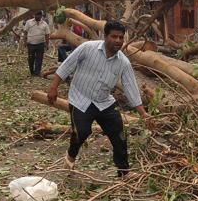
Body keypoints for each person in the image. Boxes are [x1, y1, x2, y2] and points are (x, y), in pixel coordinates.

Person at [45, 20, 154, 175]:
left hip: (104, 102)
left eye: (120, 37)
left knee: (119, 136)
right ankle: (71, 155)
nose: (118, 41)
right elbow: (67, 65)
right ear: (105, 37)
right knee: (82, 132)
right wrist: (53, 87)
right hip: (80, 98)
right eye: (114, 36)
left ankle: (124, 172)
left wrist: (143, 113)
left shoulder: (123, 62)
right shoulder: (87, 48)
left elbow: (131, 87)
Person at [21, 10, 52, 76]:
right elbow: (25, 32)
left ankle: (37, 72)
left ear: (41, 16)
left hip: (40, 44)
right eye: (36, 15)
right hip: (31, 44)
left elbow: (47, 35)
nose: (37, 16)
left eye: (39, 15)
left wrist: (47, 44)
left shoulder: (44, 24)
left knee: (39, 58)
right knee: (31, 58)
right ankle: (32, 71)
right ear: (34, 15)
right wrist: (24, 41)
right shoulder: (29, 22)